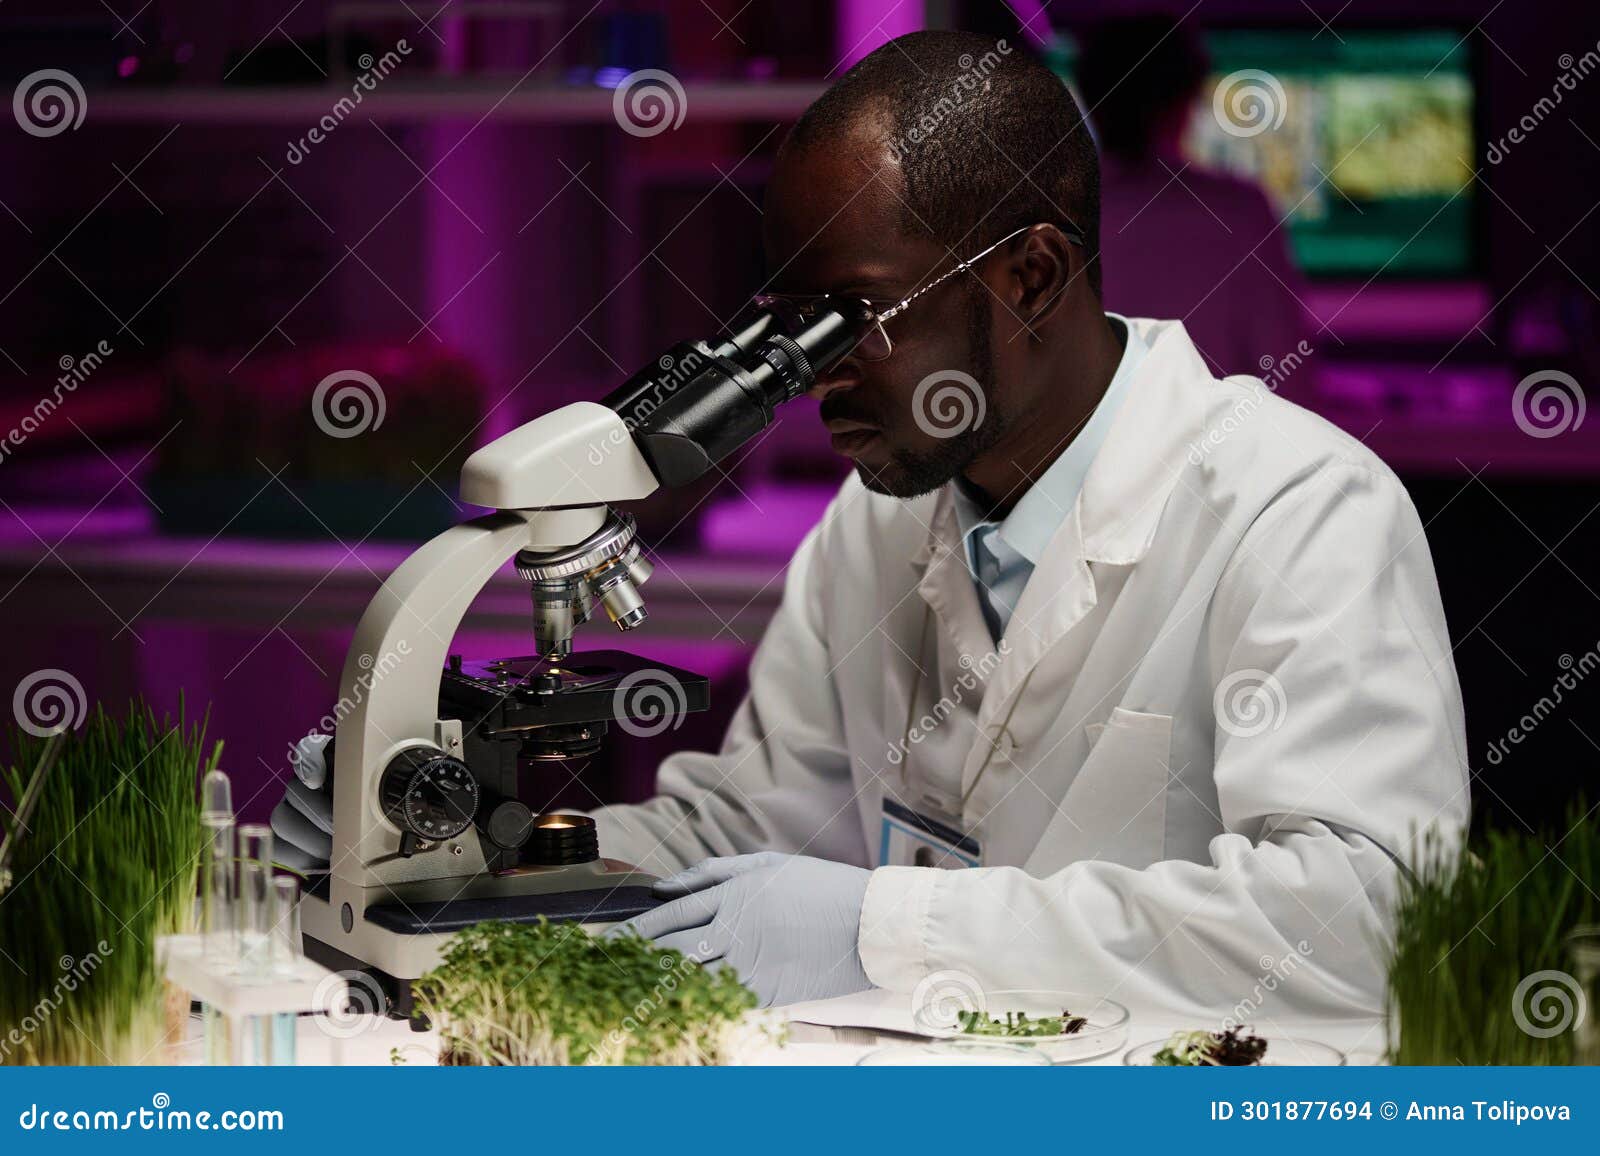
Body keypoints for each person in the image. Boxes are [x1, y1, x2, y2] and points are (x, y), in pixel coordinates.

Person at [590, 31, 1468, 1017]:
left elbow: (1360, 928)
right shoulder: (874, 524)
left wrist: (886, 928)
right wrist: (533, 877)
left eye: (857, 317)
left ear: (1032, 277)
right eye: (795, 325)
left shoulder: (1302, 511)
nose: (819, 377)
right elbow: (757, 817)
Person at [1076, 15, 1312, 382]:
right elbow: (1289, 379)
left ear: (1089, 97)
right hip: (1221, 439)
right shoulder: (1240, 213)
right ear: (1187, 100)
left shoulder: (1047, 214)